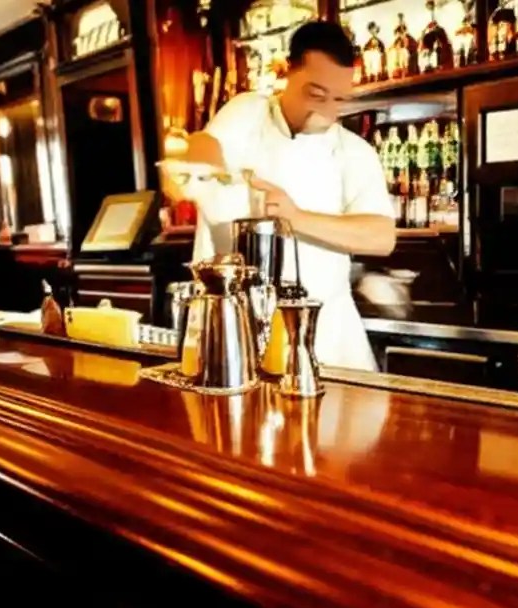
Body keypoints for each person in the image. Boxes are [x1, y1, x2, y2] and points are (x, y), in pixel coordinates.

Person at [164, 21, 395, 372]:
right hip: (233, 330)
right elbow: (206, 146)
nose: (327, 111)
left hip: (325, 337)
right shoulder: (249, 112)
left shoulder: (354, 151)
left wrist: (295, 217)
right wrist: (187, 163)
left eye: (339, 99)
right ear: (287, 72)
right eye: (316, 94)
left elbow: (381, 237)